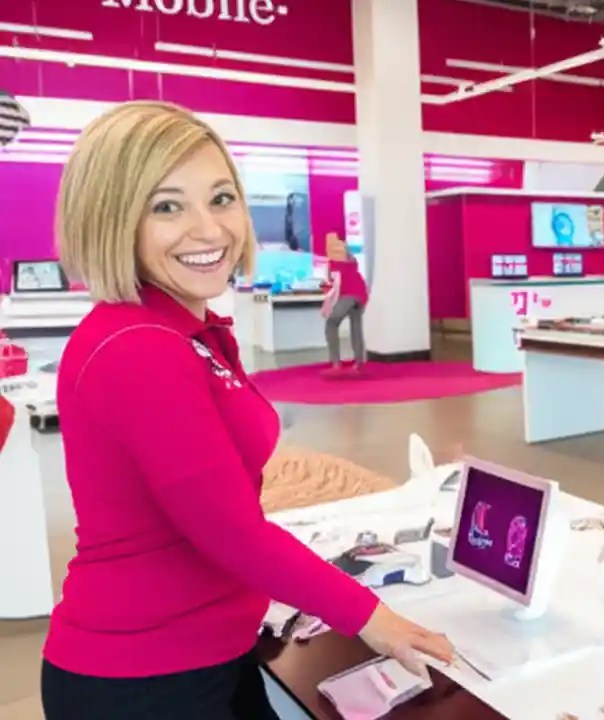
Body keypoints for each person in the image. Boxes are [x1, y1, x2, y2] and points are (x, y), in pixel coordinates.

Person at [45, 101, 452, 720]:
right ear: (112, 217)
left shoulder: (180, 328)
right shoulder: (139, 347)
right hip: (148, 676)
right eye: (166, 206)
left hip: (209, 649)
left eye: (221, 198)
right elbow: (229, 530)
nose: (209, 230)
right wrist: (376, 619)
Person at [321, 231, 368, 378]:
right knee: (356, 327)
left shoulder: (334, 261)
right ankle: (359, 364)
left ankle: (336, 364)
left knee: (332, 322)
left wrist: (328, 304)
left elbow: (336, 286)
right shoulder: (351, 259)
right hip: (360, 294)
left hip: (348, 294)